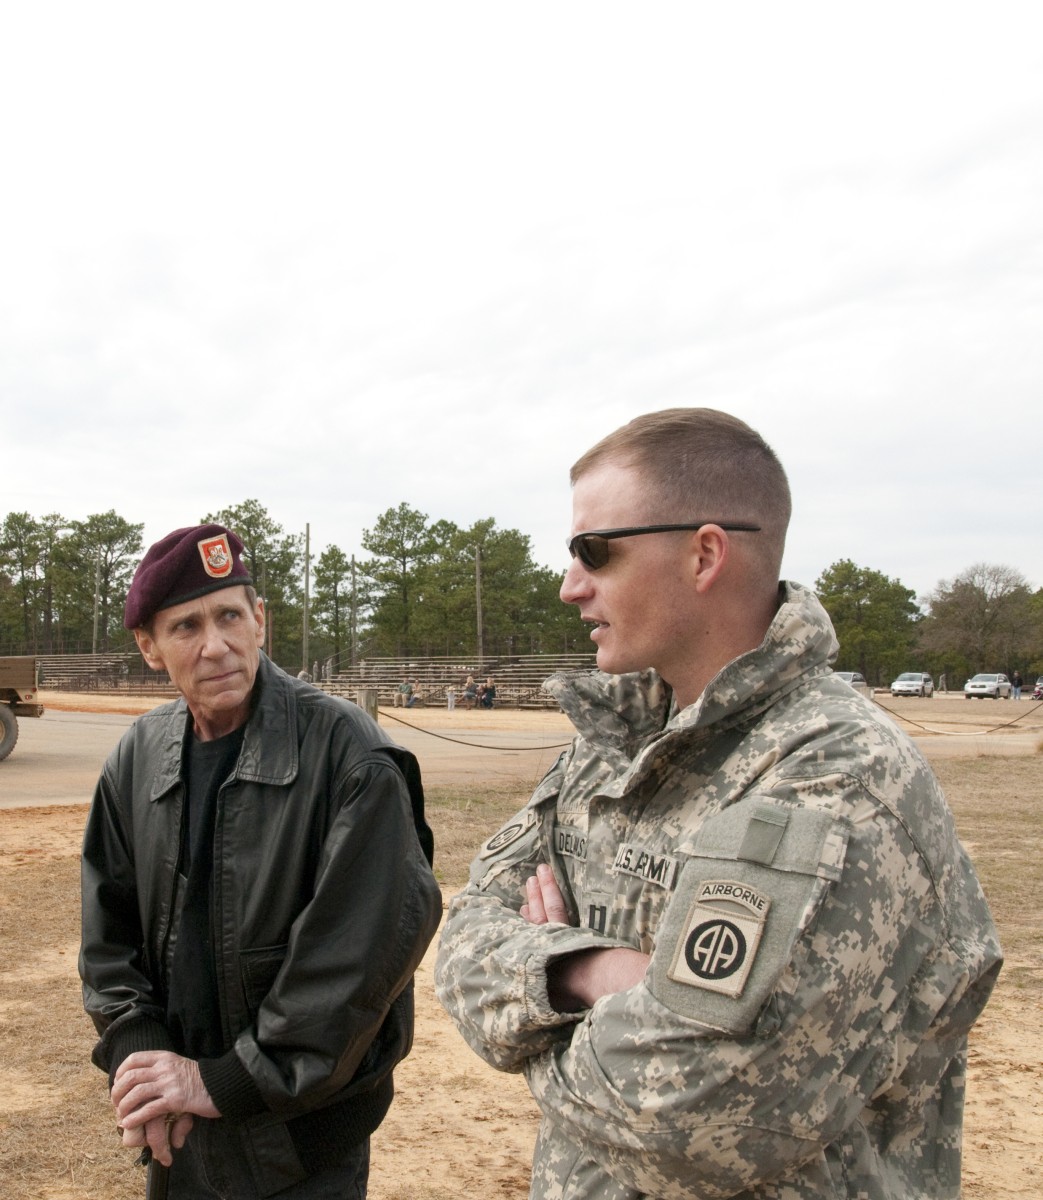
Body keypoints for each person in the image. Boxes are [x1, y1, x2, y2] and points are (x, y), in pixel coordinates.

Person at [435, 409, 1001, 1200]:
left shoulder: (836, 776)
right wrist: (588, 971)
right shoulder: (613, 741)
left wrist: (530, 1011)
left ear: (704, 554)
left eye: (594, 551)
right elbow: (462, 944)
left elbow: (682, 1116)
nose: (569, 586)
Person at [80, 524, 442, 1199]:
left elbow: (364, 950)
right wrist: (138, 1049)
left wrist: (231, 1079)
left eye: (230, 616)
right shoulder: (138, 755)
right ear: (149, 648)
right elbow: (110, 930)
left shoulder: (348, 753)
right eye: (186, 626)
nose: (216, 645)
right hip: (182, 1127)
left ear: (260, 621)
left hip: (298, 1133)